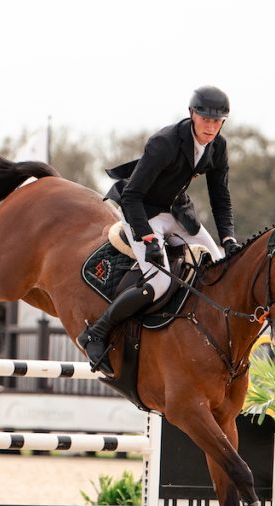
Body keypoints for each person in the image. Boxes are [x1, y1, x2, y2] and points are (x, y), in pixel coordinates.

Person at [78, 85, 240, 375]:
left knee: (220, 269)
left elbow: (221, 197)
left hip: (178, 212)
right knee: (159, 282)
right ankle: (97, 332)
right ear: (192, 114)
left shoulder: (218, 147)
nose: (211, 126)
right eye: (205, 119)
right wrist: (149, 238)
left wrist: (228, 237)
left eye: (217, 121)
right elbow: (132, 196)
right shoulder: (164, 142)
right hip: (141, 211)